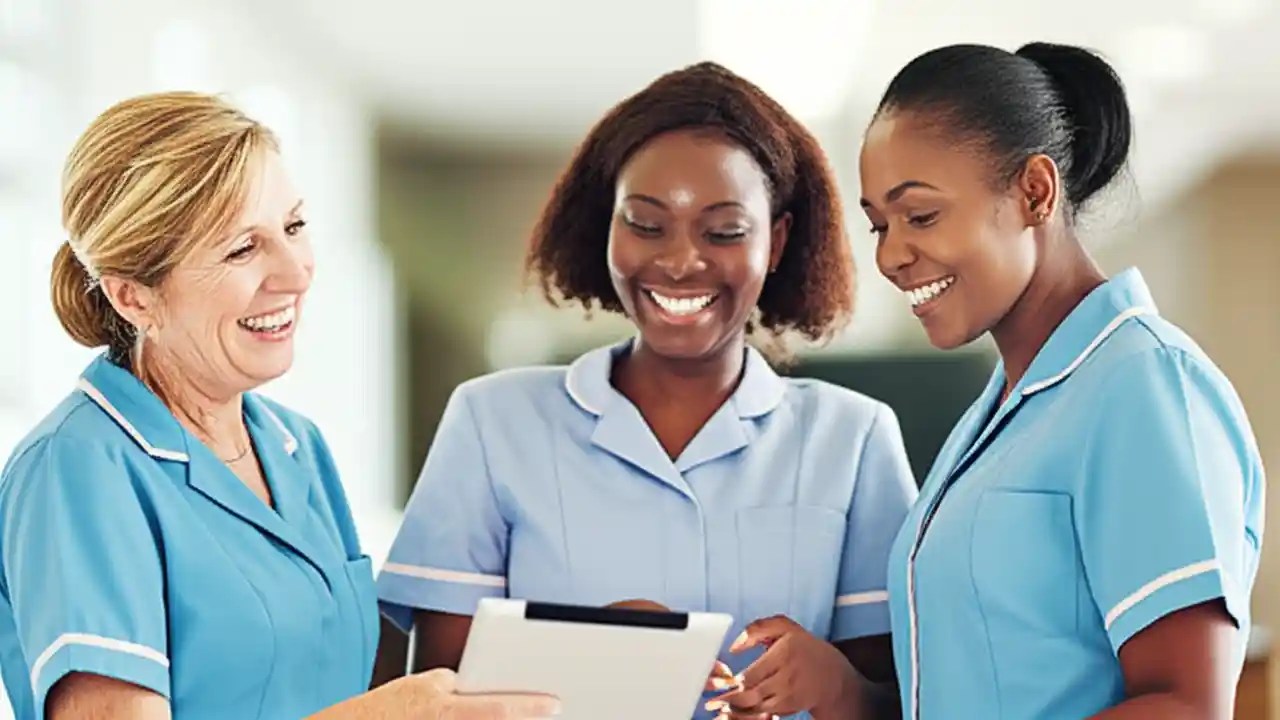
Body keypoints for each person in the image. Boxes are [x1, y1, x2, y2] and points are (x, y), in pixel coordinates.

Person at [374, 62, 917, 720]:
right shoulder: (492, 422)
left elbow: (903, 701)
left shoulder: (853, 440)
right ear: (608, 227)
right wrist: (593, 657)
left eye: (723, 231)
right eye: (646, 224)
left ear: (775, 242)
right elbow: (430, 697)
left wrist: (835, 688)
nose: (682, 261)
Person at [0, 92, 560, 720]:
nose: (296, 273)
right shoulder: (78, 470)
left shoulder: (295, 447)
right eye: (242, 248)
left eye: (293, 227)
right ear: (133, 297)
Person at [858, 42, 1266, 719]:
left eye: (921, 215)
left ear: (1034, 192)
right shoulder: (997, 416)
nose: (891, 255)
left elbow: (1186, 706)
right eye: (878, 224)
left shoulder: (1143, 384)